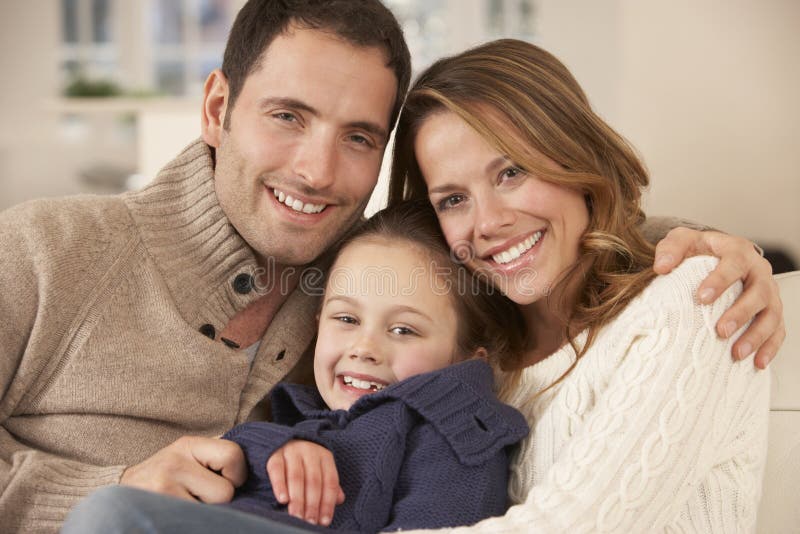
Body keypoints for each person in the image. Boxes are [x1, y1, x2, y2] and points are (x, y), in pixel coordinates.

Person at [0, 0, 783, 531]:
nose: (315, 170)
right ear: (216, 109)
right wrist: (101, 491)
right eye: (287, 117)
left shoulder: (369, 277)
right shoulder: (42, 251)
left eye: (359, 137)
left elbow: (531, 245)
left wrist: (707, 250)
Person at [381, 39, 771, 531]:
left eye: (511, 172)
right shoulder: (476, 359)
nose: (488, 223)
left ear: (575, 157)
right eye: (453, 199)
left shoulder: (693, 300)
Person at [64, 199, 530, 532]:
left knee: (114, 515)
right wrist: (281, 446)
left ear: (468, 358)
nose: (364, 347)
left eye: (404, 330)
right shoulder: (306, 411)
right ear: (317, 323)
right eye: (346, 319)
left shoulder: (456, 429)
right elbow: (227, 454)